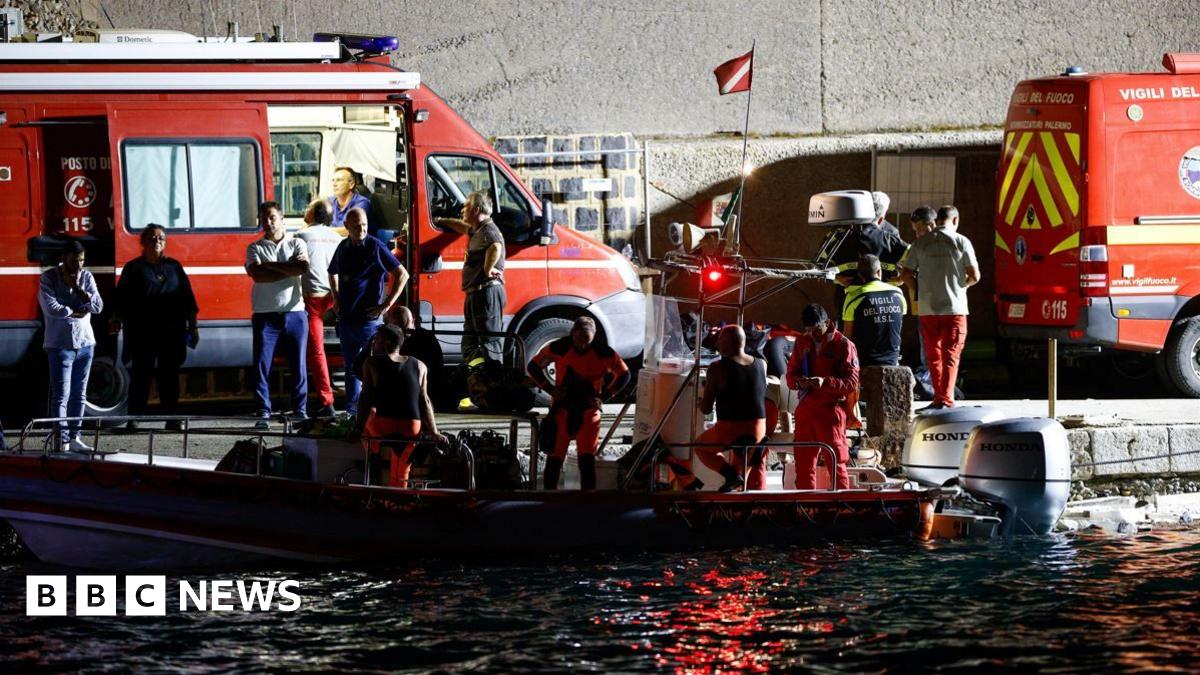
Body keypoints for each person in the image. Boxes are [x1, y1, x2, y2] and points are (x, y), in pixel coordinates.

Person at [111, 225, 199, 430]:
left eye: (161, 238)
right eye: (152, 238)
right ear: (143, 242)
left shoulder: (175, 267)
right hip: (142, 332)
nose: (157, 241)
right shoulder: (133, 268)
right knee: (141, 376)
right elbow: (120, 300)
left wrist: (193, 328)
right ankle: (134, 418)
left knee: (169, 377)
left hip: (172, 332)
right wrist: (115, 320)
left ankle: (172, 418)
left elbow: (188, 300)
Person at [527, 316, 629, 490]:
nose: (582, 346)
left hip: (588, 413)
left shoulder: (603, 351)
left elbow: (625, 375)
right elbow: (533, 367)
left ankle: (586, 505)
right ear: (573, 333)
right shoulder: (560, 347)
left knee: (587, 462)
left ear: (594, 337)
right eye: (580, 341)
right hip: (561, 411)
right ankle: (548, 503)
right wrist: (551, 389)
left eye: (587, 342)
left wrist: (604, 397)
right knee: (554, 460)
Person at [328, 207, 409, 416]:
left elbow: (402, 274)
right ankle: (352, 412)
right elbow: (332, 272)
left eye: (364, 225)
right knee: (352, 368)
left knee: (376, 367)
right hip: (347, 320)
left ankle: (378, 411)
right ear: (347, 227)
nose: (362, 229)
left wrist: (386, 305)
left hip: (368, 322)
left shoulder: (375, 246)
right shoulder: (343, 247)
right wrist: (336, 299)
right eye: (356, 226)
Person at [900, 205, 980, 410]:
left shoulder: (921, 243)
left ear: (937, 221)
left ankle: (939, 398)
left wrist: (921, 288)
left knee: (933, 355)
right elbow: (975, 276)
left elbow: (906, 273)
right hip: (954, 308)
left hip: (928, 309)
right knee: (951, 354)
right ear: (955, 220)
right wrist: (961, 285)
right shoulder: (961, 241)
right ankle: (947, 399)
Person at [350, 324, 445, 487]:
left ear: (386, 343)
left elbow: (365, 399)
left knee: (370, 413)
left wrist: (357, 429)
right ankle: (400, 493)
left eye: (376, 340)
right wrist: (434, 432)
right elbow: (425, 401)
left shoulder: (371, 363)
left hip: (385, 426)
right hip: (412, 427)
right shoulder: (420, 366)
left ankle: (374, 456)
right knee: (402, 467)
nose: (374, 344)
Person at [245, 201, 309, 428]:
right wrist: (285, 266)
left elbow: (301, 268)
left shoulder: (297, 243)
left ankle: (300, 411)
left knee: (299, 365)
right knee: (262, 365)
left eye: (272, 217)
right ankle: (263, 411)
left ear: (282, 219)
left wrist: (270, 265)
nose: (268, 222)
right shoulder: (254, 248)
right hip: (265, 314)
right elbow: (258, 275)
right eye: (263, 218)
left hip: (295, 313)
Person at [39, 239, 103, 451]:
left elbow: (98, 306)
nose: (79, 266)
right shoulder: (48, 278)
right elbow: (52, 309)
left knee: (80, 394)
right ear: (63, 258)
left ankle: (74, 438)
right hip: (60, 345)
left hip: (85, 343)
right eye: (74, 261)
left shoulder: (86, 277)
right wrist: (76, 311)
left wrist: (76, 288)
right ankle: (61, 440)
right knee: (61, 395)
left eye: (82, 261)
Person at [787, 304, 859, 490]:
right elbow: (790, 377)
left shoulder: (844, 345)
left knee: (836, 464)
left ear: (827, 322)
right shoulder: (802, 342)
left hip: (830, 411)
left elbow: (852, 383)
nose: (813, 334)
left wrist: (825, 382)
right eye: (809, 330)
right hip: (806, 411)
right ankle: (805, 508)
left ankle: (841, 505)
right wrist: (798, 382)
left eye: (816, 329)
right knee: (803, 466)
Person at [434, 190, 506, 364]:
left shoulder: (489, 230)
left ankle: (492, 381)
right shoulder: (478, 230)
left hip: (486, 294)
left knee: (489, 343)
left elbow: (495, 246)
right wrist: (439, 221)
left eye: (465, 206)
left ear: (475, 210)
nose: (462, 210)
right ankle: (476, 378)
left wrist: (488, 268)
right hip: (475, 294)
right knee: (470, 343)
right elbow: (462, 226)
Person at [694, 325, 769, 492]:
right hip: (758, 429)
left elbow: (706, 409)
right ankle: (735, 484)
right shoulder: (761, 364)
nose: (717, 343)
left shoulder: (717, 368)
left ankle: (731, 476)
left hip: (731, 429)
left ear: (727, 343)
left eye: (720, 339)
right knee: (737, 482)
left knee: (699, 447)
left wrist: (701, 399)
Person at [840, 254, 907, 428]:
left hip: (865, 363)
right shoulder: (898, 294)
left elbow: (847, 339)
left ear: (860, 275)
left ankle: (852, 420)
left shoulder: (854, 297)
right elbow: (897, 326)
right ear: (879, 271)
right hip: (893, 359)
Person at [294, 199, 344, 417]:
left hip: (312, 300)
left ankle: (326, 401)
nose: (305, 210)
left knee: (316, 352)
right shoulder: (337, 237)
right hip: (334, 298)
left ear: (313, 214)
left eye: (308, 208)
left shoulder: (300, 236)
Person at [830, 191, 909, 288]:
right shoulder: (890, 236)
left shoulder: (840, 234)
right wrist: (904, 277)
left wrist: (837, 278)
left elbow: (817, 266)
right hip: (883, 296)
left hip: (849, 294)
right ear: (881, 219)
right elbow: (916, 257)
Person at [902, 206, 936, 398]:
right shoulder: (954, 242)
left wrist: (916, 288)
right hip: (945, 305)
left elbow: (906, 274)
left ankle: (930, 384)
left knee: (928, 344)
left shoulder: (920, 246)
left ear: (931, 224)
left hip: (927, 302)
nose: (917, 234)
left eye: (919, 229)